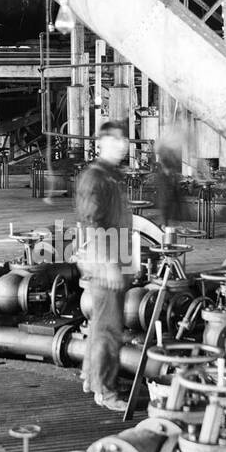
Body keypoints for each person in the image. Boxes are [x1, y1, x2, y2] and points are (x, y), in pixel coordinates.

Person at [75, 120, 132, 412]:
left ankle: (90, 376)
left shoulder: (112, 175)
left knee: (100, 325)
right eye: (115, 140)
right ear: (101, 143)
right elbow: (92, 224)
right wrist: (108, 264)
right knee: (109, 329)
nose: (121, 145)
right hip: (105, 263)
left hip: (115, 258)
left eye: (124, 140)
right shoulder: (96, 178)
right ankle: (106, 391)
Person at [153, 118, 186, 228]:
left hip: (170, 174)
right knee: (165, 199)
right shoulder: (165, 144)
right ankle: (164, 223)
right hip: (165, 174)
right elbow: (161, 157)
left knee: (173, 198)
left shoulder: (171, 144)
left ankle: (171, 221)